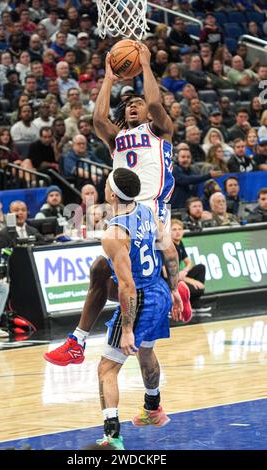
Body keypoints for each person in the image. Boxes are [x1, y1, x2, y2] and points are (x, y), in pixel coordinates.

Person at [44, 42, 188, 367]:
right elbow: (97, 118)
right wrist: (108, 77)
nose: (136, 107)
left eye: (139, 103)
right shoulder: (116, 139)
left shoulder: (161, 131)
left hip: (151, 208)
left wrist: (147, 64)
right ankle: (77, 342)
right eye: (130, 106)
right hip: (124, 211)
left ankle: (174, 289)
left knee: (142, 273)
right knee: (100, 271)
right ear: (124, 115)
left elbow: (153, 100)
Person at [97, 170, 178, 448]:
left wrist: (128, 328)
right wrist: (176, 291)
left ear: (111, 194)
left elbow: (127, 286)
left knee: (107, 368)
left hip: (140, 297)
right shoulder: (146, 212)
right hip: (160, 292)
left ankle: (112, 436)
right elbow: (170, 252)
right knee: (147, 351)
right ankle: (153, 408)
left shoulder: (113, 233)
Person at [171, 219, 211, 315]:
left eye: (180, 229)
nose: (178, 232)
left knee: (201, 268)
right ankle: (175, 306)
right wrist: (192, 281)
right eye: (174, 229)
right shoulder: (170, 247)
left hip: (179, 276)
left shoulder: (179, 243)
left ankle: (194, 304)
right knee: (196, 288)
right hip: (169, 280)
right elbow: (169, 274)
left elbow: (189, 262)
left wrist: (185, 270)